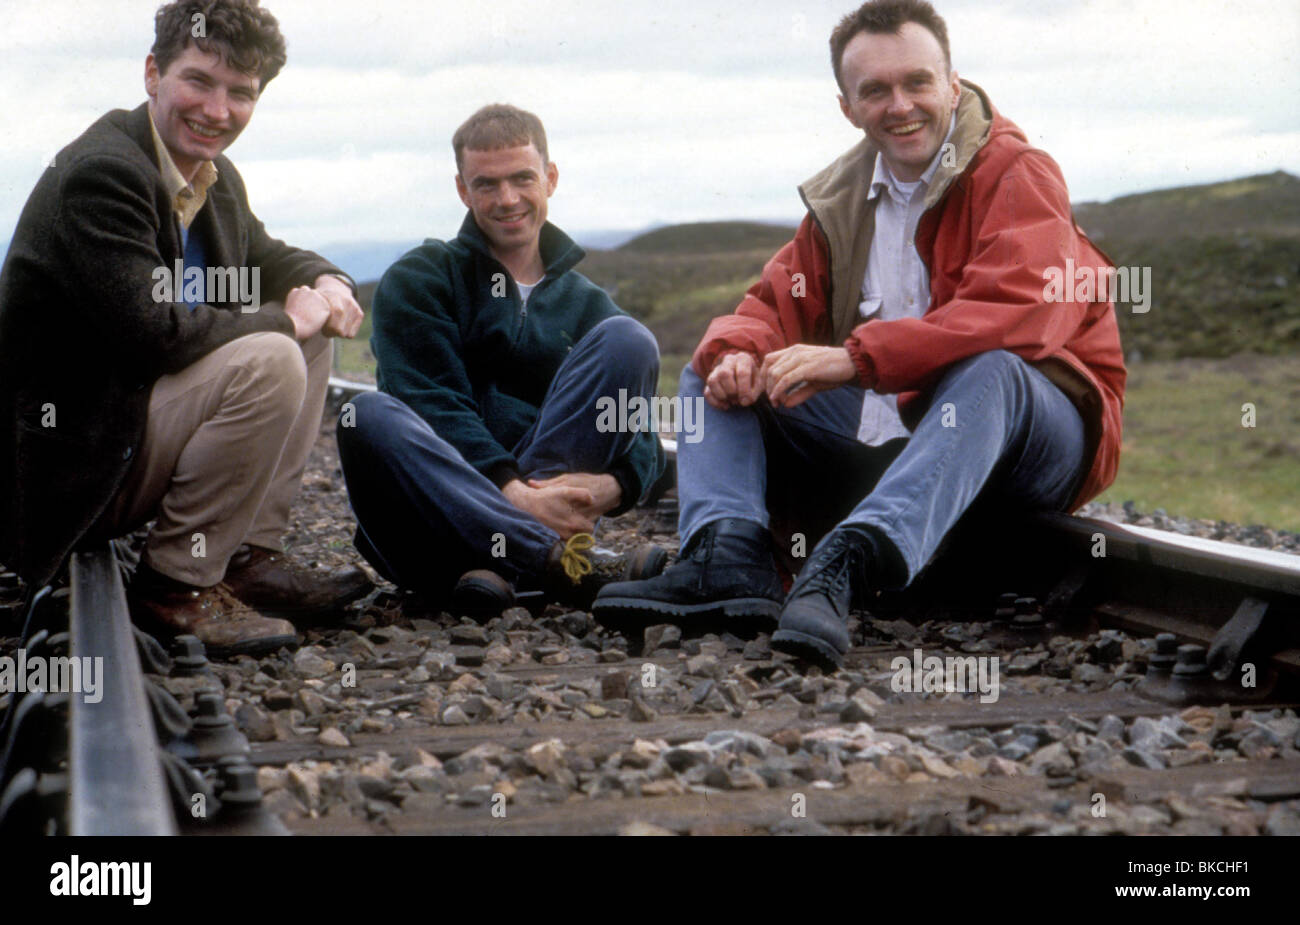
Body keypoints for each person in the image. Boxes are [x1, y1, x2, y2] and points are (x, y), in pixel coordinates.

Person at [594, 0, 1126, 669]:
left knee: (991, 369)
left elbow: (1023, 311)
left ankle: (846, 563)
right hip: (905, 439)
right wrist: (740, 353)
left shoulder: (1015, 171)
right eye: (875, 90)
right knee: (717, 366)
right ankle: (729, 560)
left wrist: (855, 358)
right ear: (848, 106)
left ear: (952, 84)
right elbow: (766, 305)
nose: (900, 104)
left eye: (917, 82)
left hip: (1029, 437)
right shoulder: (843, 199)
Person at [0, 0, 372, 657]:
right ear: (153, 72)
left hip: (125, 433)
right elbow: (155, 330)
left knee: (306, 333)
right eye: (199, 80)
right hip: (69, 465)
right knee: (273, 354)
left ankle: (246, 559)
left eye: (240, 93)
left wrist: (329, 282)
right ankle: (176, 584)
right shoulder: (103, 174)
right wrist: (283, 319)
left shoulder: (211, 176)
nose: (217, 110)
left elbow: (270, 257)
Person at [337, 104, 666, 616]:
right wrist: (517, 496)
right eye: (486, 184)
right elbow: (429, 403)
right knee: (368, 416)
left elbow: (638, 430)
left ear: (550, 179)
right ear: (462, 190)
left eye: (522, 179)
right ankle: (548, 560)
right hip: (431, 536)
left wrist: (613, 486)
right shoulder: (419, 279)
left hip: (545, 520)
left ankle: (516, 568)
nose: (507, 199)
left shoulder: (589, 306)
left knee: (630, 340)